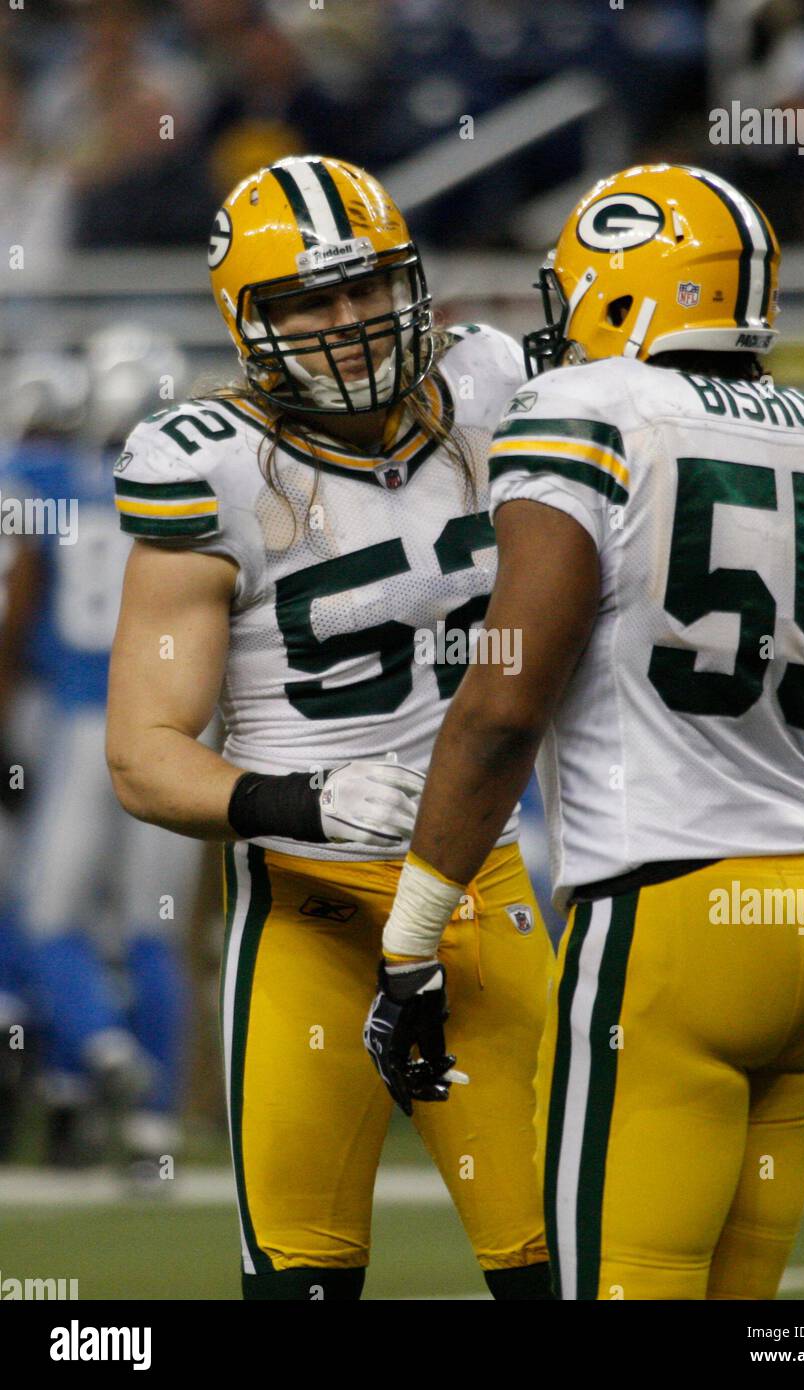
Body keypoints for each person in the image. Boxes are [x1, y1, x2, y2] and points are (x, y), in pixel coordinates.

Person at [364, 163, 804, 1300]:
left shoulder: (590, 414)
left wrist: (412, 936)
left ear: (624, 293)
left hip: (665, 920)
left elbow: (504, 703)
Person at [105, 155, 553, 1300]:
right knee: (302, 1286)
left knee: (557, 1268)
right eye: (311, 301)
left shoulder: (496, 387)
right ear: (250, 323)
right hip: (307, 903)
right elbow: (143, 757)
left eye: (367, 289)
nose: (349, 323)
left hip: (474, 880)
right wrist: (299, 799)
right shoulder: (205, 465)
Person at [0, 339, 199, 1175]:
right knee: (156, 933)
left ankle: (102, 1044)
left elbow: (20, 591)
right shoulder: (202, 483)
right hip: (181, 727)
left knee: (50, 922)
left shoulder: (45, 482)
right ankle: (154, 1126)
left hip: (83, 720)